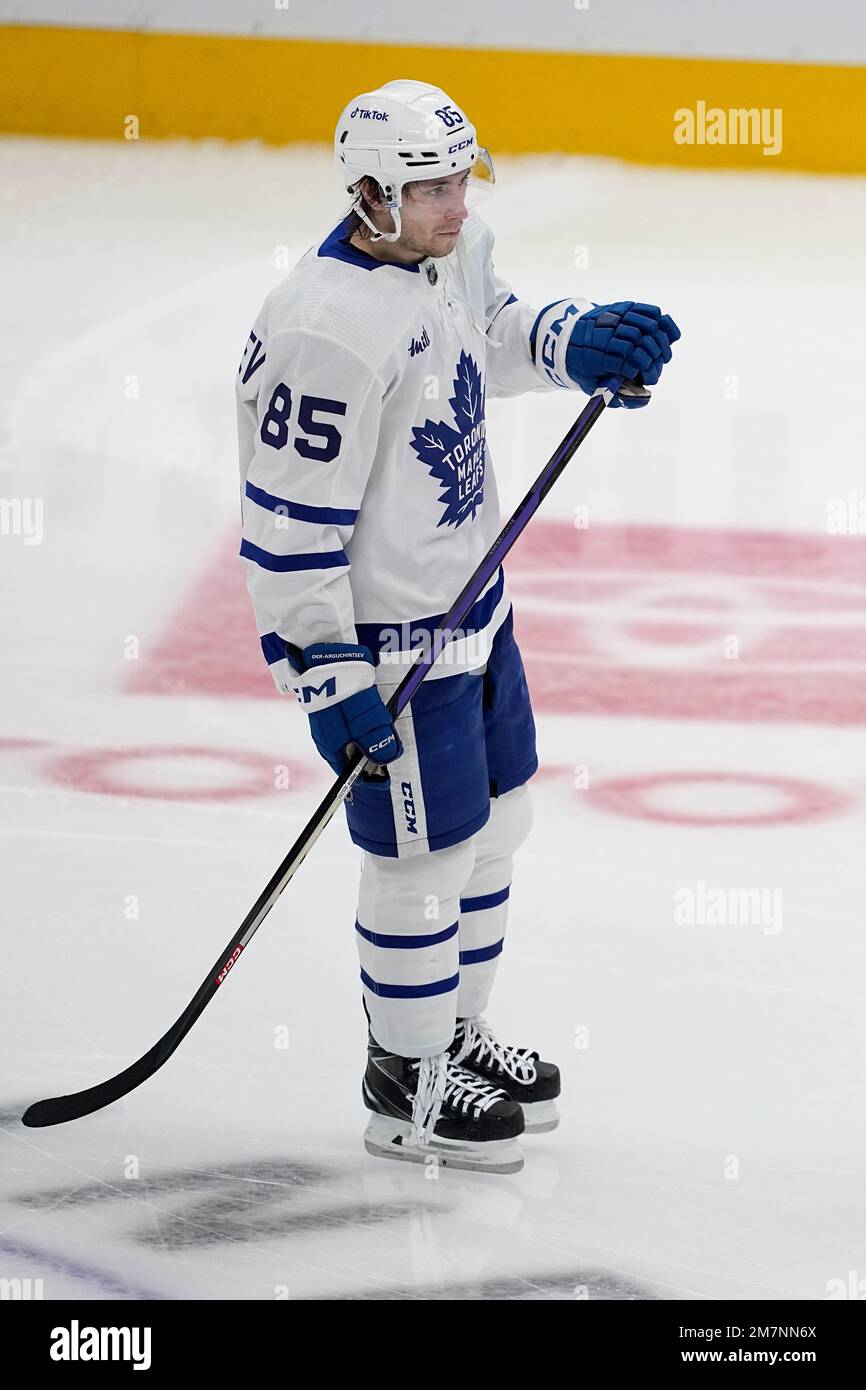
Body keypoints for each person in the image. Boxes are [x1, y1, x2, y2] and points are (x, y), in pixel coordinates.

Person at [236, 78, 679, 1173]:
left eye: (457, 179)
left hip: (477, 611)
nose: (455, 203)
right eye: (430, 187)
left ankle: (454, 1034)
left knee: (497, 826)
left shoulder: (447, 253)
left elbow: (494, 331)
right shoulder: (321, 329)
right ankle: (406, 1076)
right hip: (392, 646)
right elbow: (288, 528)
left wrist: (577, 341)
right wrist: (325, 673)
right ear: (372, 194)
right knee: (418, 865)